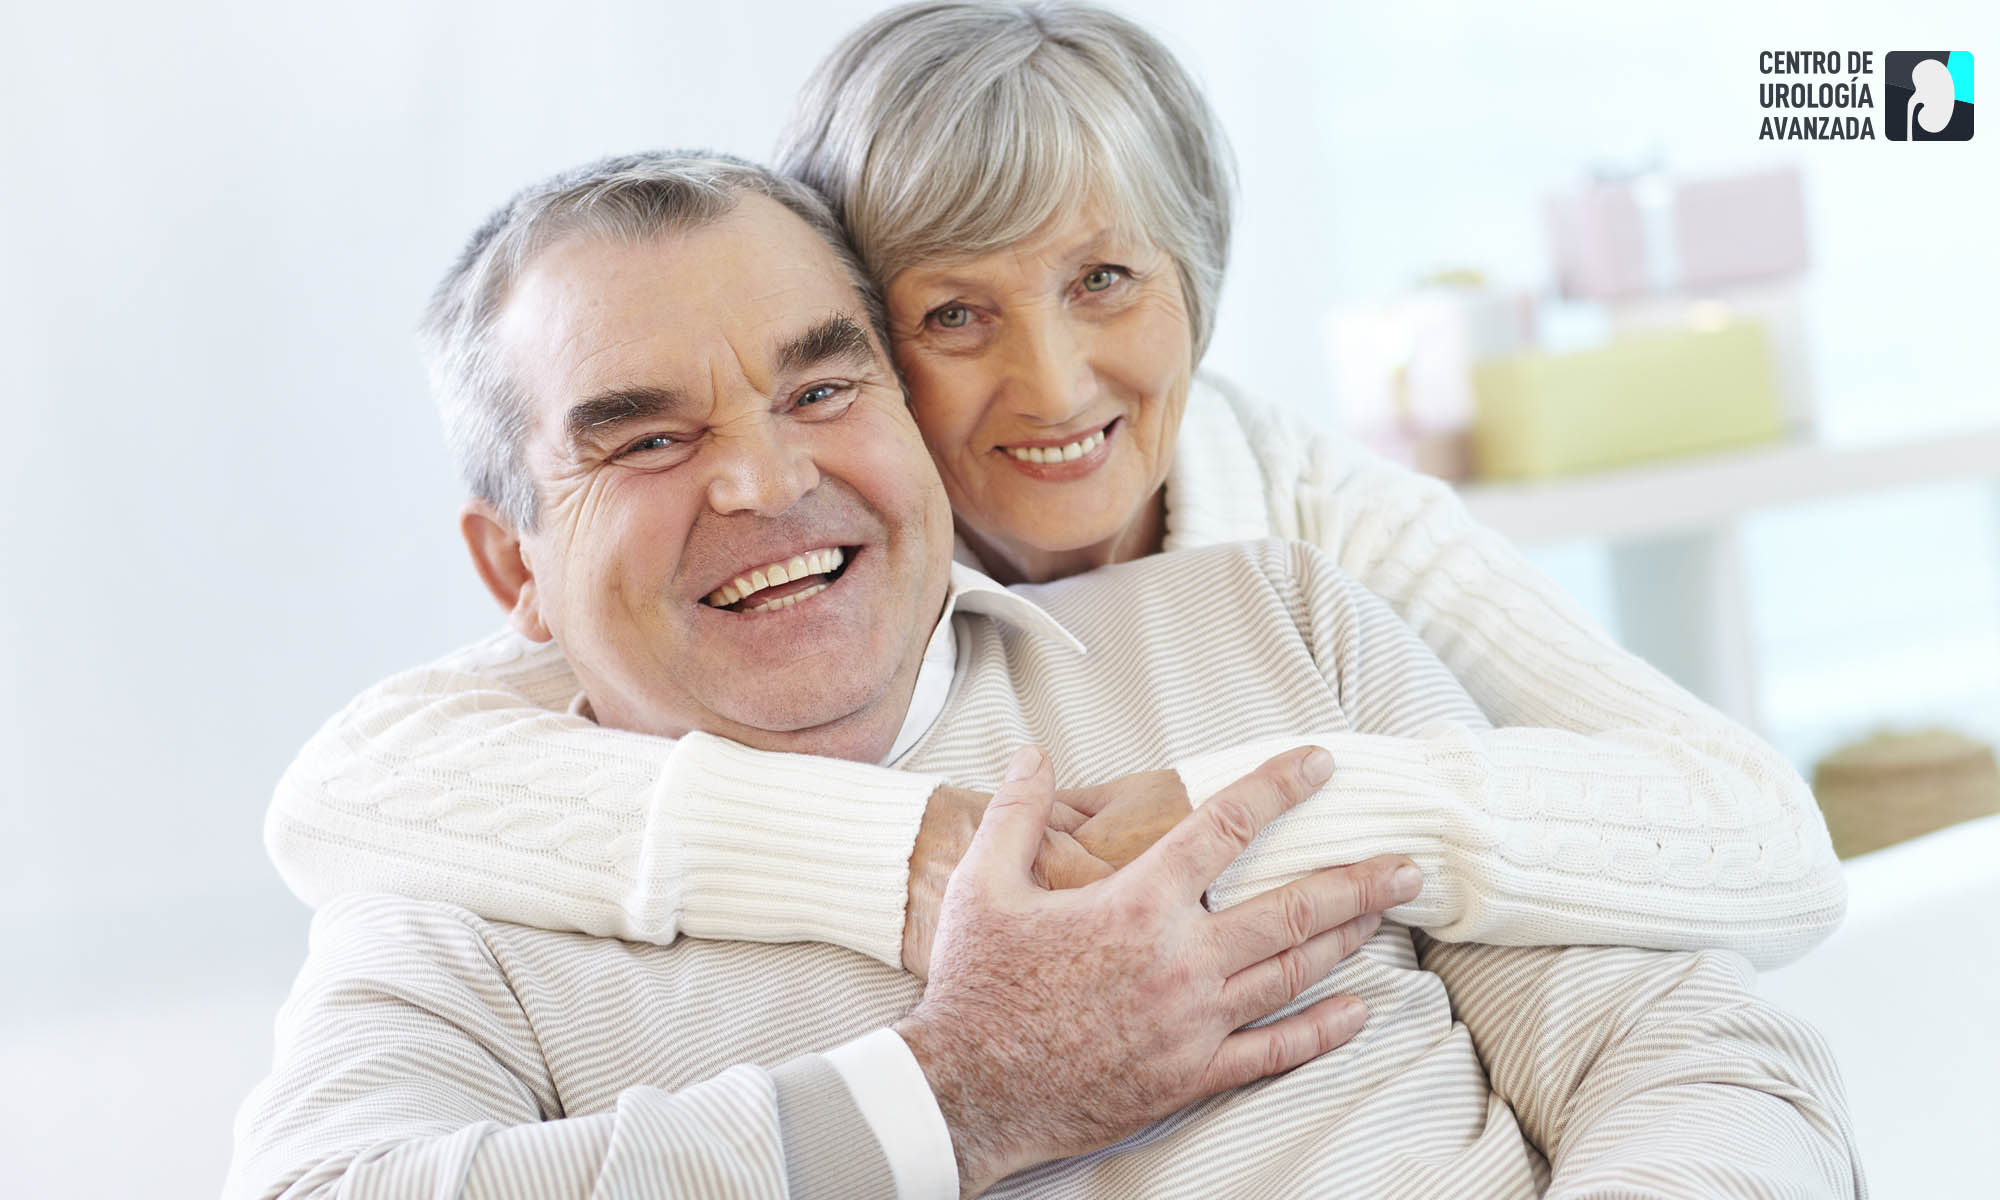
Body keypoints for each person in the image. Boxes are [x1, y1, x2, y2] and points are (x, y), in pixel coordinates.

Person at [227, 153, 1858, 1199]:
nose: (760, 484)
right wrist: (956, 1095)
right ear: (514, 569)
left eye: (819, 387)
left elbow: (1687, 1048)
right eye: (647, 437)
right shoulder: (459, 900)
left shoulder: (1280, 620)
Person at [265, 0, 1842, 979]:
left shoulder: (1314, 521)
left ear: (1198, 285)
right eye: (955, 315)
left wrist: (1268, 813)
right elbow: (345, 793)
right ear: (857, 343)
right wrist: (911, 857)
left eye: (1105, 279)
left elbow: (1766, 834)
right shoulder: (786, 563)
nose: (1056, 384)